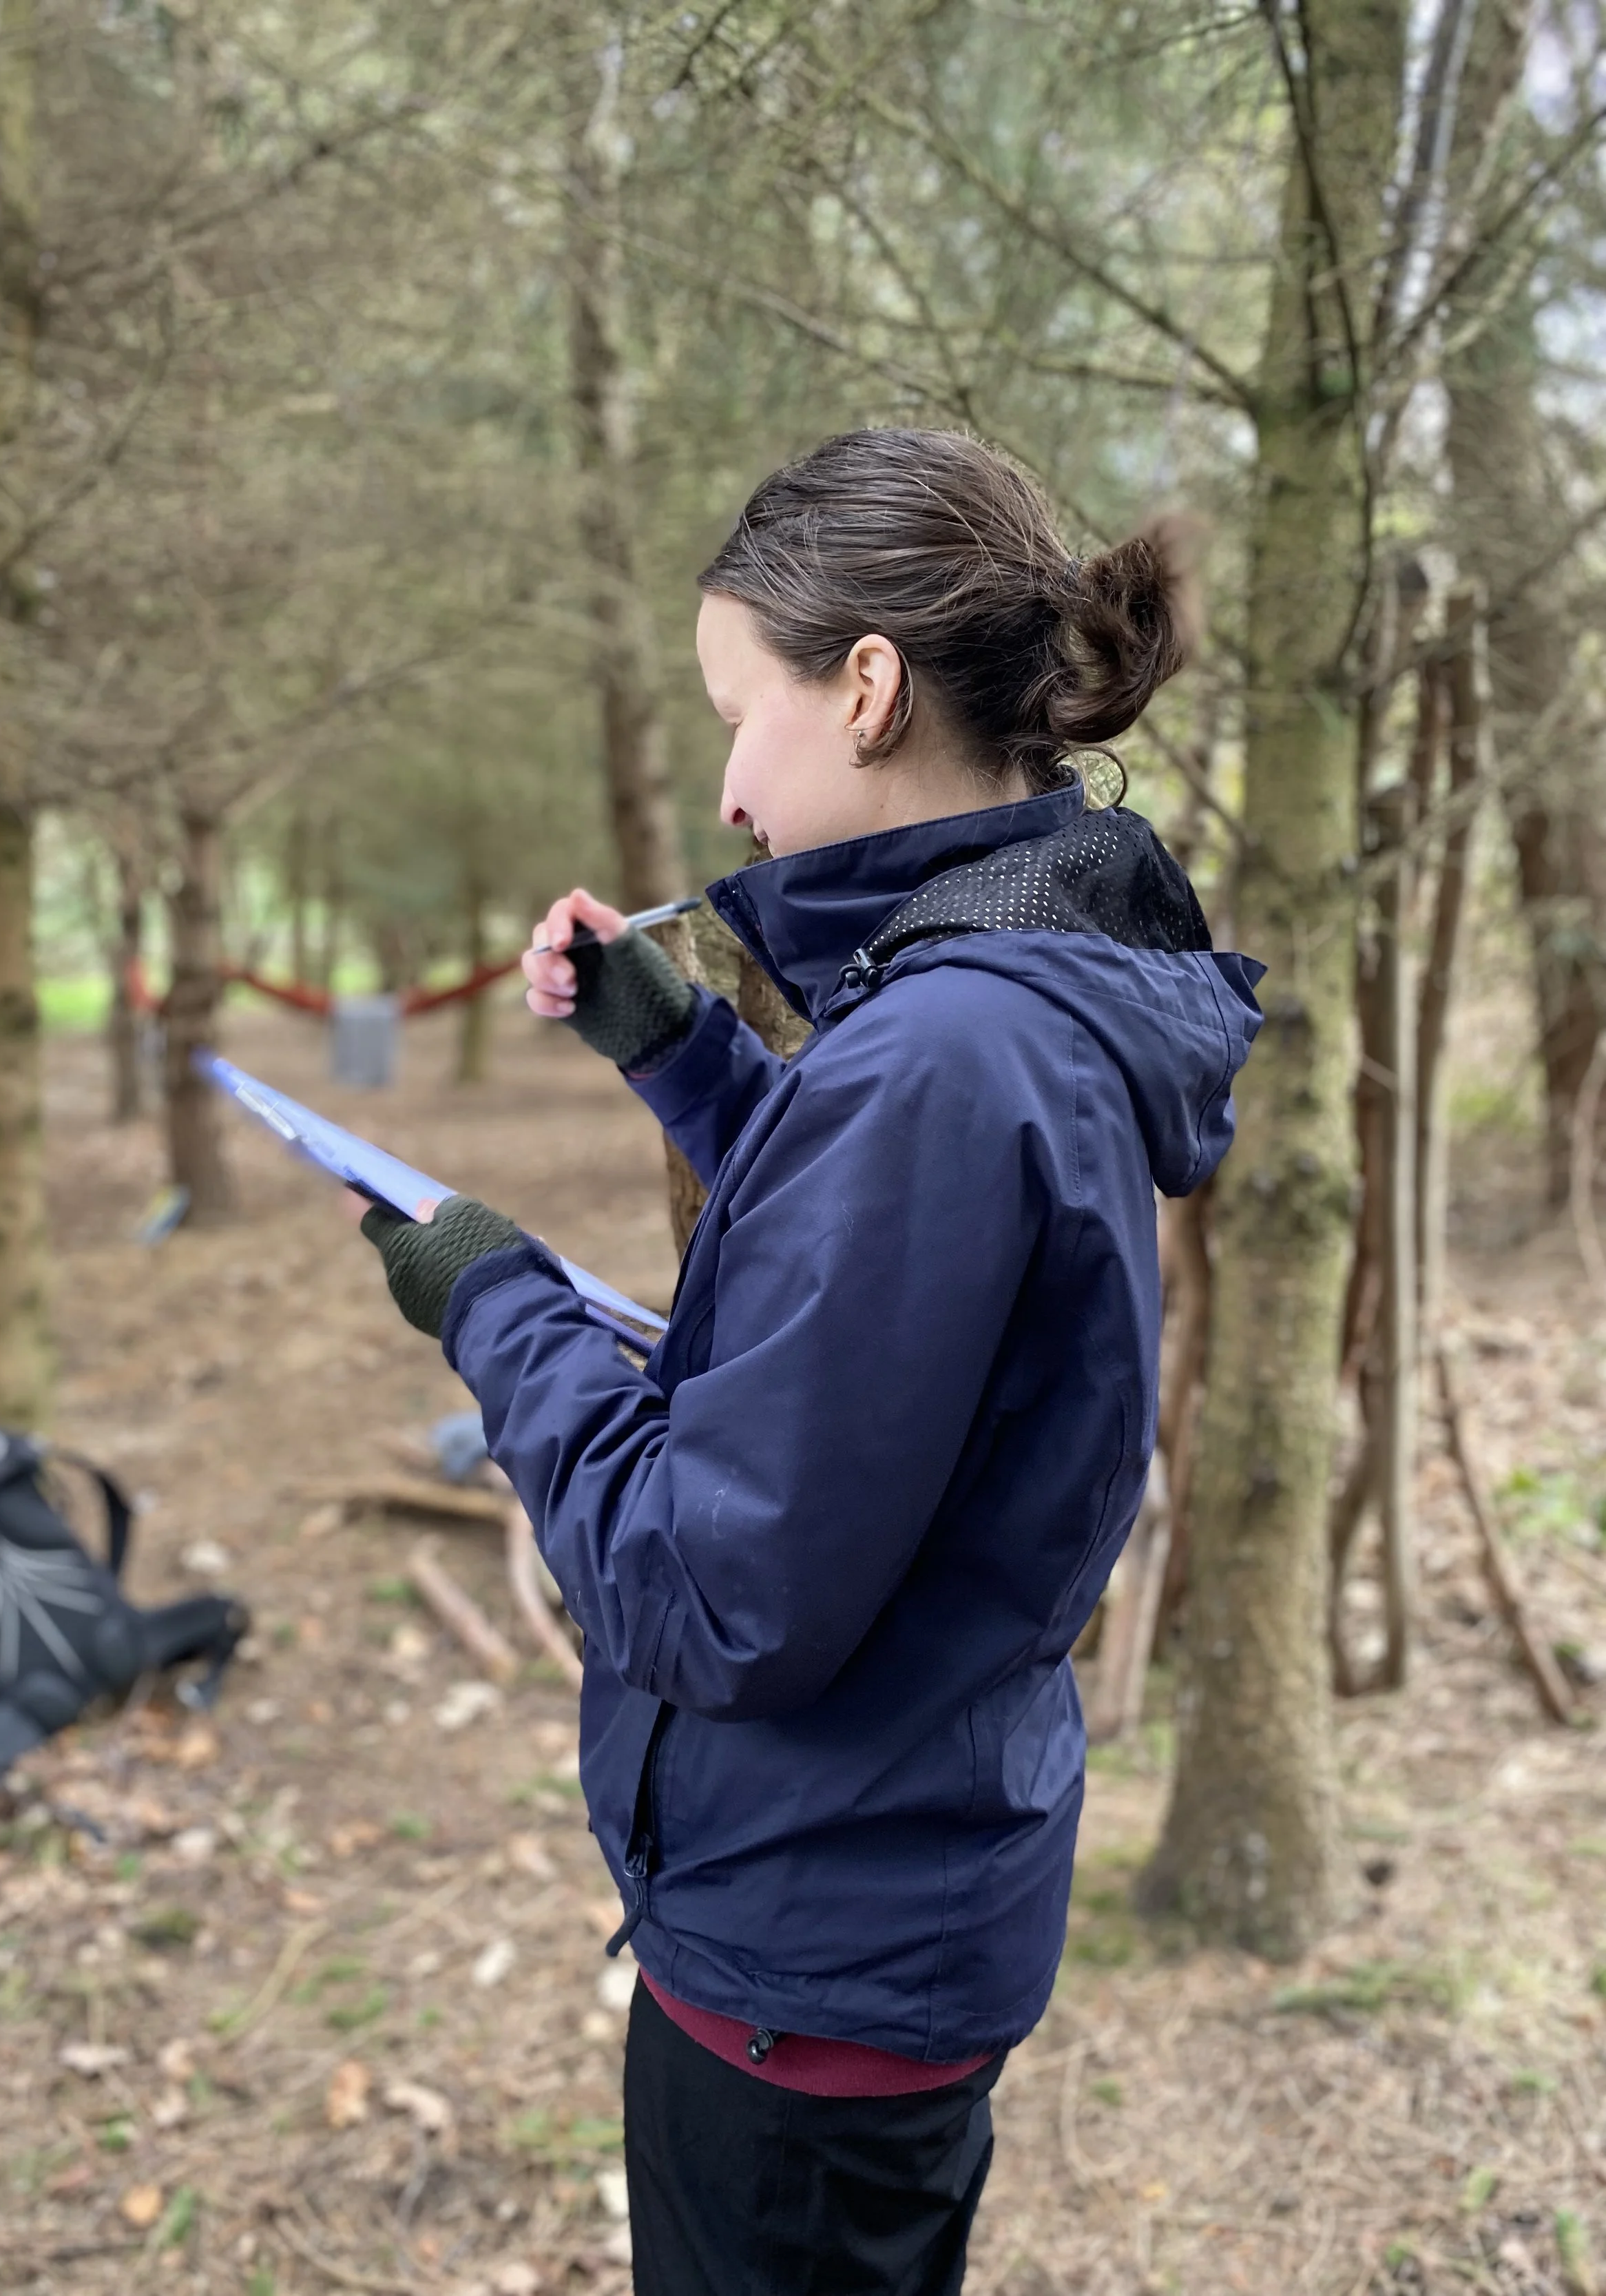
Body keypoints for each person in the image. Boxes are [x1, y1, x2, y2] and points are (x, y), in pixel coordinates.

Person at [357, 428, 1263, 2296]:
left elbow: (705, 1592)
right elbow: (888, 1268)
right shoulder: (1002, 994)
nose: (728, 789)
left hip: (811, 1966)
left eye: (732, 709)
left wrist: (494, 1307)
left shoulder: (944, 1053)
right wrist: (678, 1046)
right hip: (895, 1896)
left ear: (862, 688)